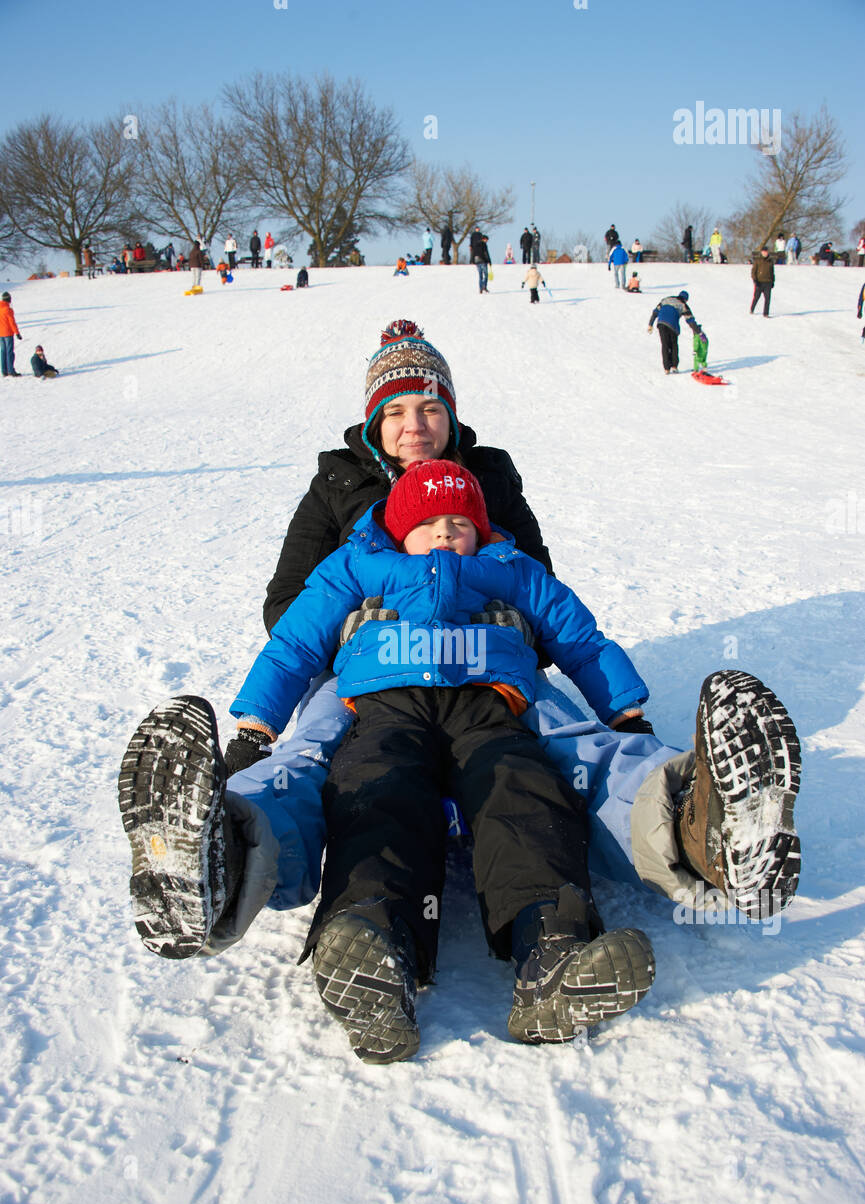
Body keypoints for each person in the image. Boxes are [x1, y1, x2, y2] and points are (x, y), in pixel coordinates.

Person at [118, 319, 802, 1011]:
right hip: (364, 670)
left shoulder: (492, 487)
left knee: (567, 750)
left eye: (430, 408)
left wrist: (618, 707)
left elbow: (554, 606)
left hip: (493, 669)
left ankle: (700, 829)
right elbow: (290, 618)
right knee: (322, 759)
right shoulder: (339, 497)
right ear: (372, 423)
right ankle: (223, 851)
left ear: (451, 412)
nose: (414, 424)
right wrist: (261, 722)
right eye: (396, 411)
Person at [121, 460, 659, 1062]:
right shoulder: (358, 564)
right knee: (378, 792)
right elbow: (295, 643)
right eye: (429, 522)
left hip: (488, 702)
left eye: (461, 521)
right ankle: (372, 939)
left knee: (521, 789)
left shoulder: (510, 569)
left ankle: (553, 949)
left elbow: (582, 640)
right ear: (398, 530)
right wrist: (255, 726)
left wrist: (625, 710)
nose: (447, 532)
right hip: (385, 703)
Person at [647, 290, 699, 373]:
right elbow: (690, 320)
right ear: (686, 299)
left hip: (661, 323)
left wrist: (650, 324)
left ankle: (666, 368)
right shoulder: (683, 305)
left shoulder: (666, 299)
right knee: (674, 345)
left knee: (665, 345)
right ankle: (674, 366)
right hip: (672, 325)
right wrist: (698, 332)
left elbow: (655, 312)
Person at [0, 291, 22, 376]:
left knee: (2, 351)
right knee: (9, 352)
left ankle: (4, 371)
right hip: (8, 333)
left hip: (0, 334)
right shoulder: (8, 310)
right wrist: (17, 333)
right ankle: (11, 370)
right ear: (9, 300)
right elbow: (12, 323)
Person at [750, 246, 775, 316]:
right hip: (759, 282)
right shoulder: (758, 260)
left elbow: (772, 272)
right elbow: (753, 271)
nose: (765, 253)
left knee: (767, 299)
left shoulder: (770, 261)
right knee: (756, 297)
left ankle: (766, 313)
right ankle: (752, 309)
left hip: (768, 282)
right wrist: (755, 280)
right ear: (761, 252)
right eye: (763, 252)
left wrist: (773, 281)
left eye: (766, 252)